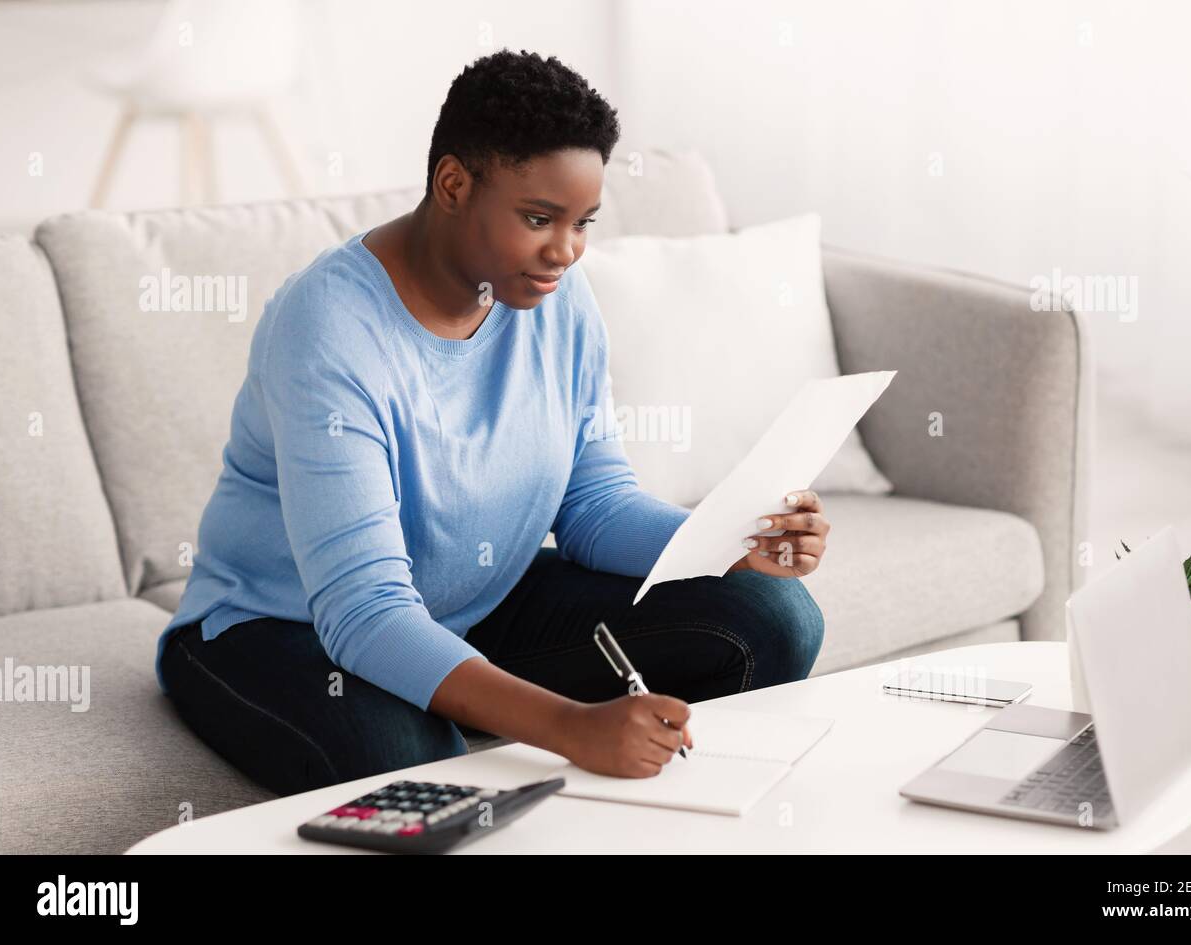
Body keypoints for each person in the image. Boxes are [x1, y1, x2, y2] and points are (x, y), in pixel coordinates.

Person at [156, 48, 829, 797]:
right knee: (415, 761)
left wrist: (731, 539)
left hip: (468, 606)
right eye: (539, 219)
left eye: (582, 224)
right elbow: (363, 610)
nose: (566, 252)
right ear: (453, 184)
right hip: (277, 628)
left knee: (772, 616)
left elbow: (593, 506)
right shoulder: (327, 330)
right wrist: (572, 724)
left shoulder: (552, 297)